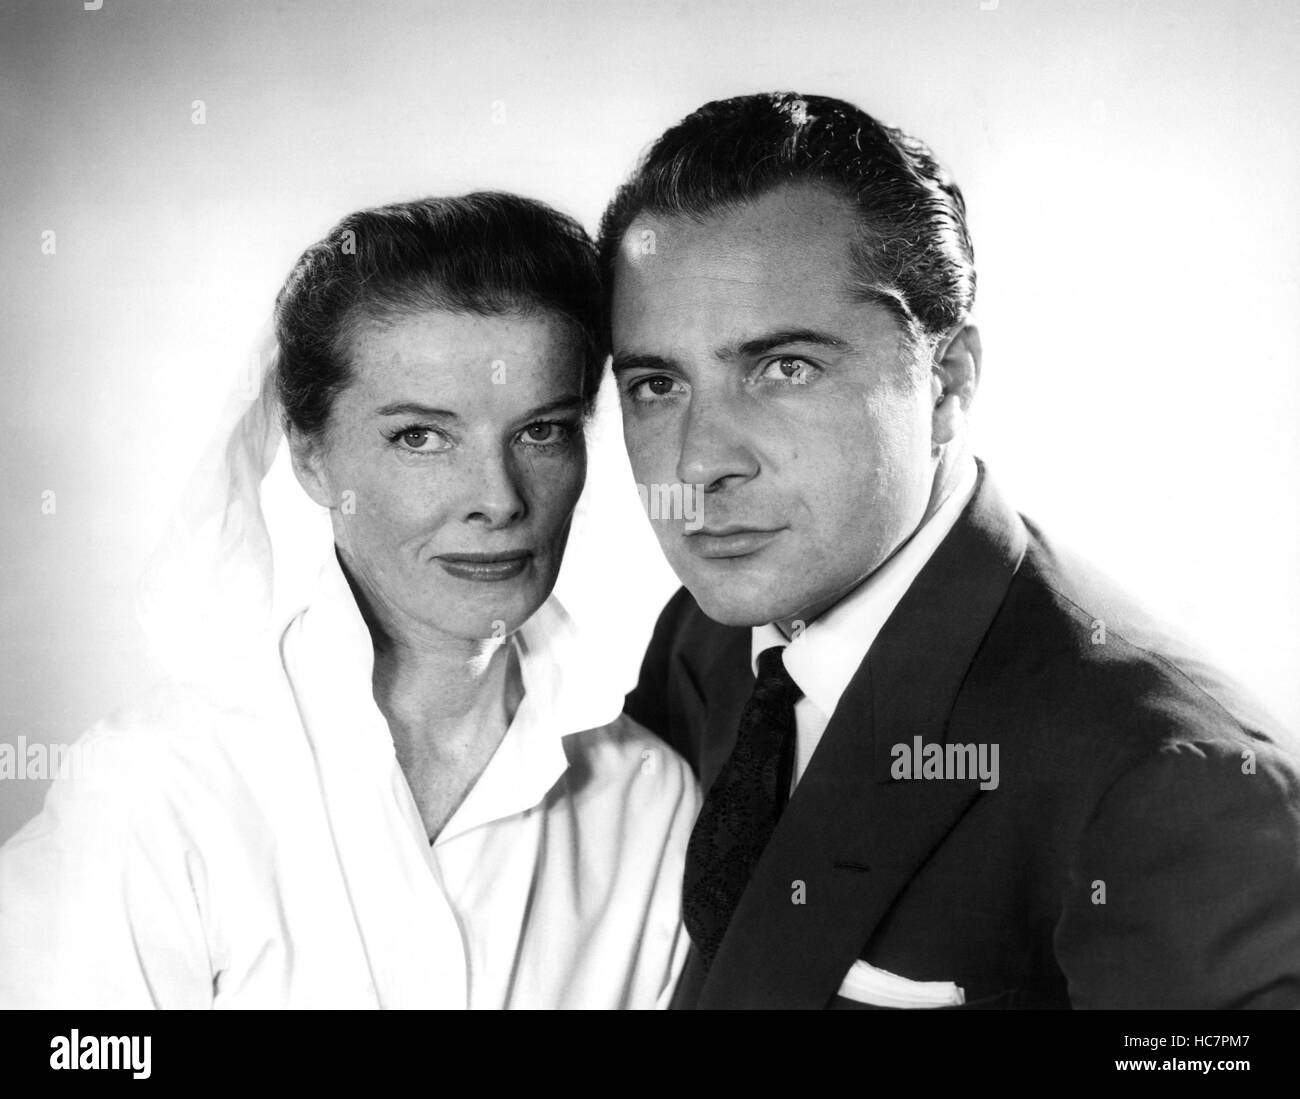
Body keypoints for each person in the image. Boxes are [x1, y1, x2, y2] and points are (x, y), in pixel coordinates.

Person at [601, 92, 1300, 1009]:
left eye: (785, 368)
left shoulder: (1169, 784)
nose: (700, 462)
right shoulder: (707, 635)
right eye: (656, 383)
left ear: (948, 381)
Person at [0, 192, 697, 1009]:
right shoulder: (159, 785)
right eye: (420, 436)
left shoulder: (647, 799)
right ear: (310, 455)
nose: (498, 499)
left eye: (540, 430)